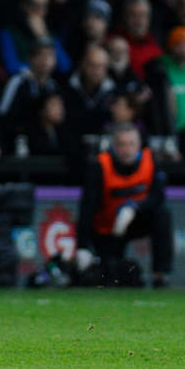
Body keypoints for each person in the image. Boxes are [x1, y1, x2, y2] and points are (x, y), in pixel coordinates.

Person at [76, 123, 173, 287]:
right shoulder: (100, 165)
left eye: (131, 144)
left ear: (139, 145)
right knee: (111, 275)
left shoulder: (150, 161)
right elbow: (87, 208)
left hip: (136, 220)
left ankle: (160, 275)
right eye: (121, 144)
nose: (127, 149)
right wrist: (83, 246)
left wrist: (133, 207)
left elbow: (158, 196)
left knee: (163, 215)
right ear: (114, 146)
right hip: (107, 227)